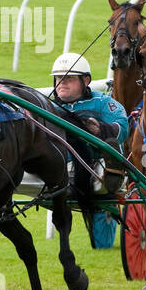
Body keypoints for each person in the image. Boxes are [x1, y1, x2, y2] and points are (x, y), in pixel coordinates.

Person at [49, 52, 129, 248]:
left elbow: (122, 126)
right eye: (58, 78)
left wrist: (101, 129)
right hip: (55, 166)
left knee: (102, 245)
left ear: (86, 80)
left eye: (68, 78)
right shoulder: (47, 105)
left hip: (94, 166)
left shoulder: (102, 103)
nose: (62, 83)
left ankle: (111, 180)